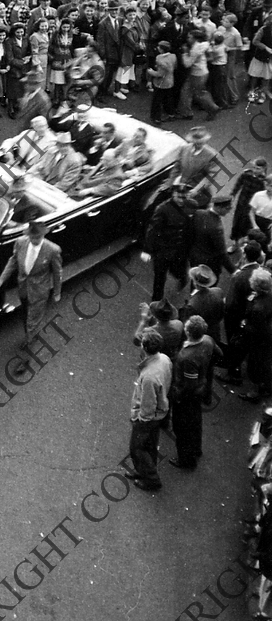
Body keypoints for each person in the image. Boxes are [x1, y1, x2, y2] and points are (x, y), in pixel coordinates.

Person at [0, 220, 62, 372]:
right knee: (25, 318)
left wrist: (57, 292)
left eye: (38, 238)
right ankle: (31, 337)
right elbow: (13, 260)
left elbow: (57, 272)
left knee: (31, 323)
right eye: (32, 237)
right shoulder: (21, 242)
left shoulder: (52, 250)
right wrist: (1, 279)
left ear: (43, 236)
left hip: (39, 292)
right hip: (23, 288)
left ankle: (26, 360)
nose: (34, 241)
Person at [123, 328, 172, 492]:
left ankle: (151, 479)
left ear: (144, 347)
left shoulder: (149, 376)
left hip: (148, 418)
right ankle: (143, 471)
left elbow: (148, 404)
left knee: (137, 448)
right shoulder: (164, 359)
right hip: (160, 412)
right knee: (150, 445)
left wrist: (140, 420)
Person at [169, 315, 216, 470]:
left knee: (182, 428)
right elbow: (218, 355)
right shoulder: (208, 341)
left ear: (188, 332)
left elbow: (189, 385)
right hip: (200, 390)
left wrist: (177, 395)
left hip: (187, 396)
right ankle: (196, 449)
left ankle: (186, 460)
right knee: (195, 422)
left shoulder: (187, 357)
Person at [221, 240, 264, 385]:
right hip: (249, 315)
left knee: (233, 343)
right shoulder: (260, 271)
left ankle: (233, 373)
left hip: (235, 316)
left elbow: (231, 303)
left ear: (245, 255)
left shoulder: (240, 277)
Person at [142, 182, 194, 301]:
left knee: (178, 271)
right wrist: (147, 250)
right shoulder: (162, 209)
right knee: (159, 278)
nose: (181, 200)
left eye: (184, 197)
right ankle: (156, 304)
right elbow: (153, 230)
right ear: (173, 194)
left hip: (180, 250)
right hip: (163, 251)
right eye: (179, 197)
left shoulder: (191, 205)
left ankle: (182, 278)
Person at [239, 268, 272, 402]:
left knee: (255, 366)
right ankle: (267, 386)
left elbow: (256, 329)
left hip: (259, 341)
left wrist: (244, 325)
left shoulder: (257, 308)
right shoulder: (269, 296)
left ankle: (255, 392)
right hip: (268, 337)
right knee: (266, 362)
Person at [188, 195, 235, 279]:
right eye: (228, 208)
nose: (229, 211)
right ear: (219, 208)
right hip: (210, 264)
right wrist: (233, 271)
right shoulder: (216, 228)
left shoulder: (199, 213)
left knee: (196, 282)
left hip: (194, 257)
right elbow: (222, 253)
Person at [231, 158, 268, 248]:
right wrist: (232, 195)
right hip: (241, 203)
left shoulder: (264, 181)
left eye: (258, 169)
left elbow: (263, 196)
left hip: (252, 207)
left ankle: (245, 244)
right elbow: (238, 185)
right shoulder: (246, 174)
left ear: (264, 169)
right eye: (254, 167)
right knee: (236, 223)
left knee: (247, 226)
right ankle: (235, 243)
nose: (255, 170)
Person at [250, 174, 272, 241]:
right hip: (257, 220)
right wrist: (254, 225)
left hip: (269, 224)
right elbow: (251, 212)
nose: (269, 188)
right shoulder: (258, 195)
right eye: (267, 185)